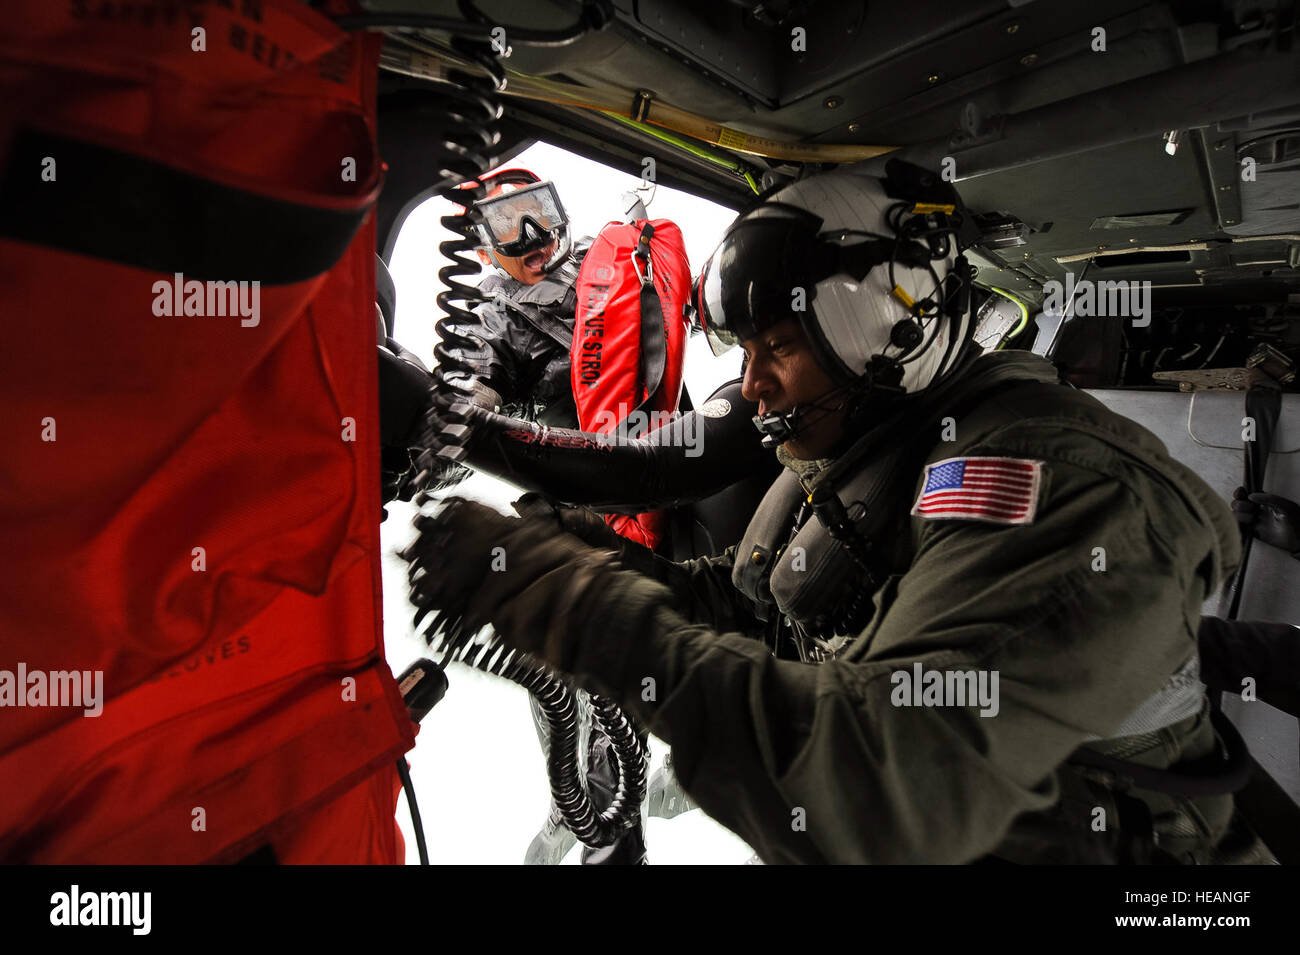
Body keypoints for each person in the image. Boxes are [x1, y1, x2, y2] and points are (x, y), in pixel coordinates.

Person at [404, 163, 1277, 863]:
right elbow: (766, 604)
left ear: (889, 328)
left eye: (776, 346)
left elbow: (879, 791)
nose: (749, 385)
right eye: (745, 351)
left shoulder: (1062, 481)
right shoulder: (882, 441)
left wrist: (571, 603)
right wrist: (598, 560)